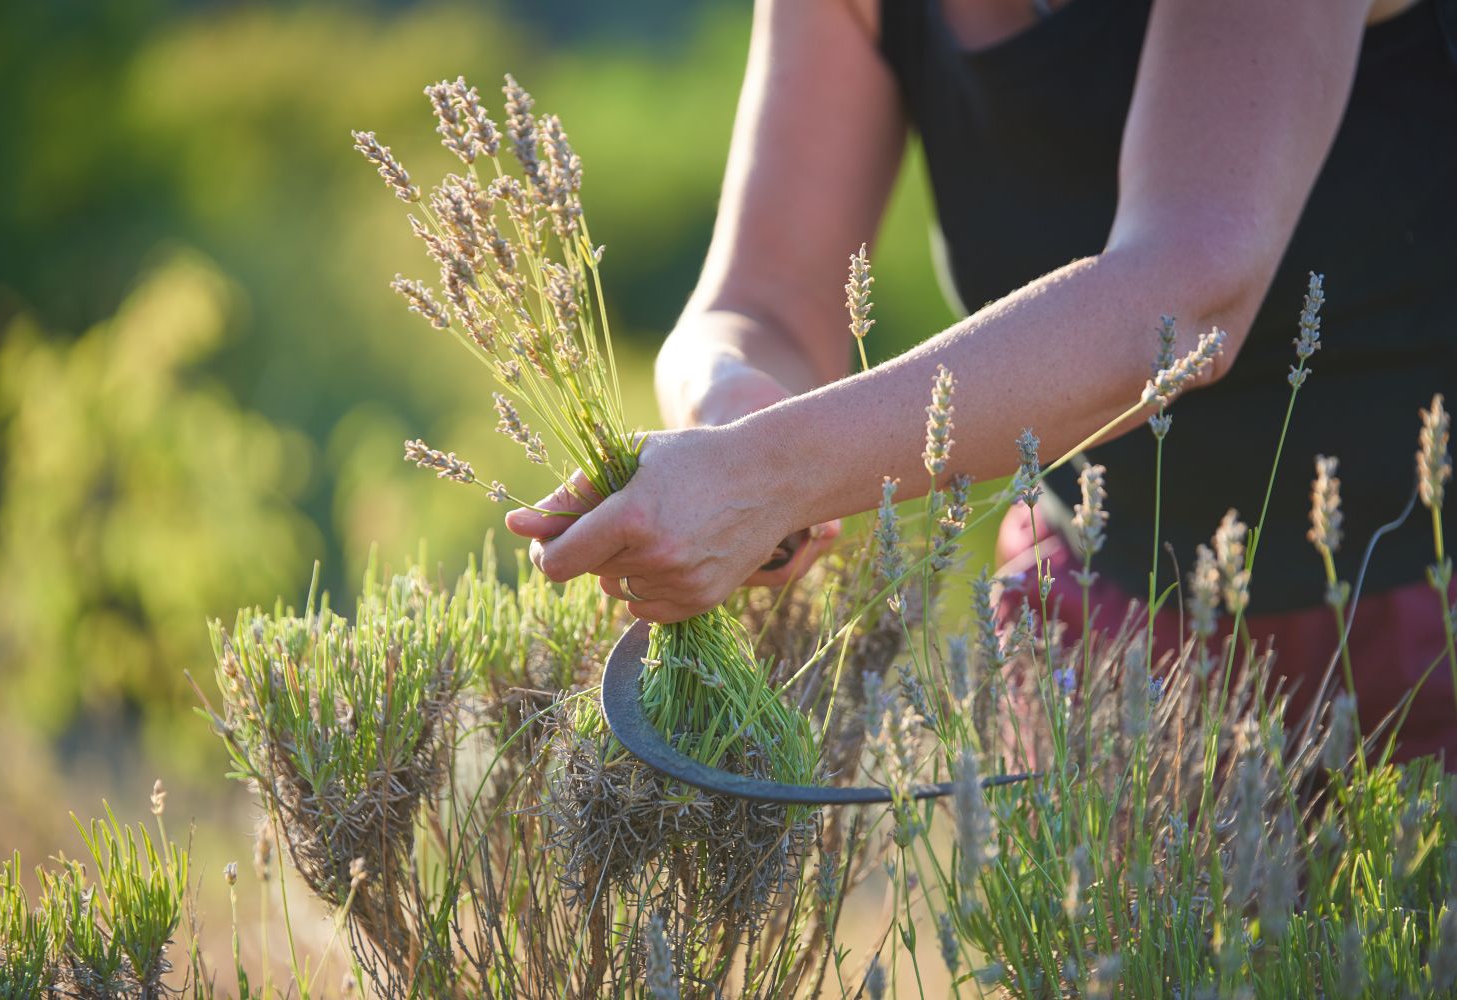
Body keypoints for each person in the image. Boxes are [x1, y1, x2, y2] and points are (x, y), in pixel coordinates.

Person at [507, 0, 1457, 760]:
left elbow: (1183, 299)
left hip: (1419, 621)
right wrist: (736, 417)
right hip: (1101, 623)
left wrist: (770, 473)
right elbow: (764, 305)